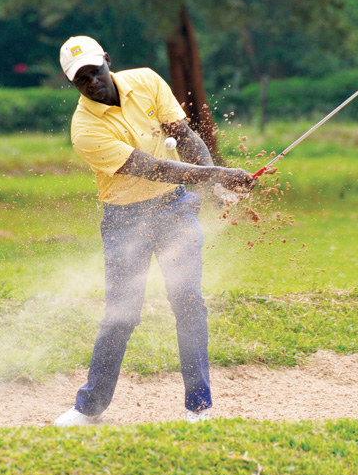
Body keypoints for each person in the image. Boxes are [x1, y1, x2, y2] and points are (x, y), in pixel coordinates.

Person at [54, 35, 254, 426]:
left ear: (106, 60)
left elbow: (185, 136)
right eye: (81, 79)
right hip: (124, 221)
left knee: (189, 302)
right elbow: (152, 168)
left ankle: (199, 408)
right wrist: (218, 175)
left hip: (175, 209)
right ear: (72, 83)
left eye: (95, 71)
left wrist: (215, 186)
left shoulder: (146, 80)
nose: (92, 82)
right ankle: (89, 408)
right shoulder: (84, 129)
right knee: (122, 315)